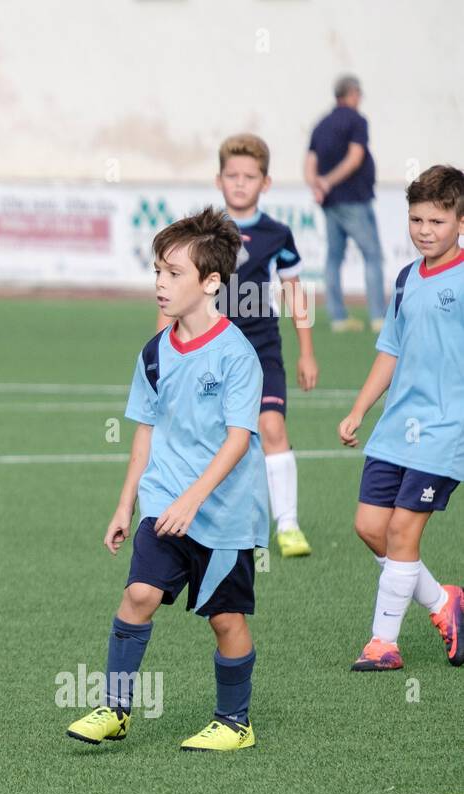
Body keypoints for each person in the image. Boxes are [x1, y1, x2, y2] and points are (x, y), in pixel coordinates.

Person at [69, 208, 268, 752]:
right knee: (138, 594)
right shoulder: (155, 353)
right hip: (164, 501)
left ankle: (235, 722)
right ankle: (114, 707)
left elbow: (238, 439)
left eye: (173, 274)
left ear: (210, 283)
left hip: (223, 513)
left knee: (225, 620)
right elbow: (145, 435)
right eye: (157, 271)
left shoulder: (236, 354)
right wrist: (125, 505)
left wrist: (194, 499)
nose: (160, 284)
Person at [159, 134, 316, 556]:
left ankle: (288, 526)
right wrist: (161, 345)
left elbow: (295, 294)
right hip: (209, 351)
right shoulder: (202, 237)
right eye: (233, 175)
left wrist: (306, 351)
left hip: (262, 350)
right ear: (218, 179)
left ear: (265, 183)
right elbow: (172, 290)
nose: (241, 183)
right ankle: (211, 517)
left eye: (250, 176)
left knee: (271, 427)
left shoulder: (277, 234)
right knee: (216, 435)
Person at [338, 164, 464, 672]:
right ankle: (444, 603)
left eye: (436, 220)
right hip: (396, 428)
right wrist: (358, 409)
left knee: (403, 534)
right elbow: (389, 351)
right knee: (370, 527)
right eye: (416, 220)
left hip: (445, 430)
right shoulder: (407, 277)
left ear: (460, 221)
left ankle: (382, 643)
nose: (424, 230)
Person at [306, 75, 386, 333]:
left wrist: (316, 186)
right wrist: (327, 183)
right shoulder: (356, 121)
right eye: (358, 94)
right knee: (372, 255)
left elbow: (309, 162)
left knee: (333, 258)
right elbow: (355, 158)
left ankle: (338, 317)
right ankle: (378, 316)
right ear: (351, 94)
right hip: (354, 200)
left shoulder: (322, 124)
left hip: (330, 203)